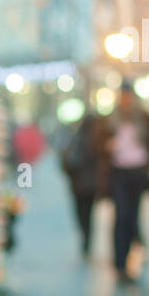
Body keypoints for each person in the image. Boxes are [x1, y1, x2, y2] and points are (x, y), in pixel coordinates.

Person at [94, 81, 149, 282]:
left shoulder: (143, 117)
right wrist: (107, 147)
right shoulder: (110, 118)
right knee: (121, 215)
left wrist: (148, 161)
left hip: (137, 171)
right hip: (118, 171)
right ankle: (119, 264)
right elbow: (96, 144)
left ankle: (131, 257)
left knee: (133, 217)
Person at [59, 108, 101, 258]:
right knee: (89, 213)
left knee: (81, 213)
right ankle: (87, 236)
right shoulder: (96, 142)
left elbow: (65, 159)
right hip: (91, 185)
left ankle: (85, 235)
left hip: (78, 184)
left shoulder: (75, 139)